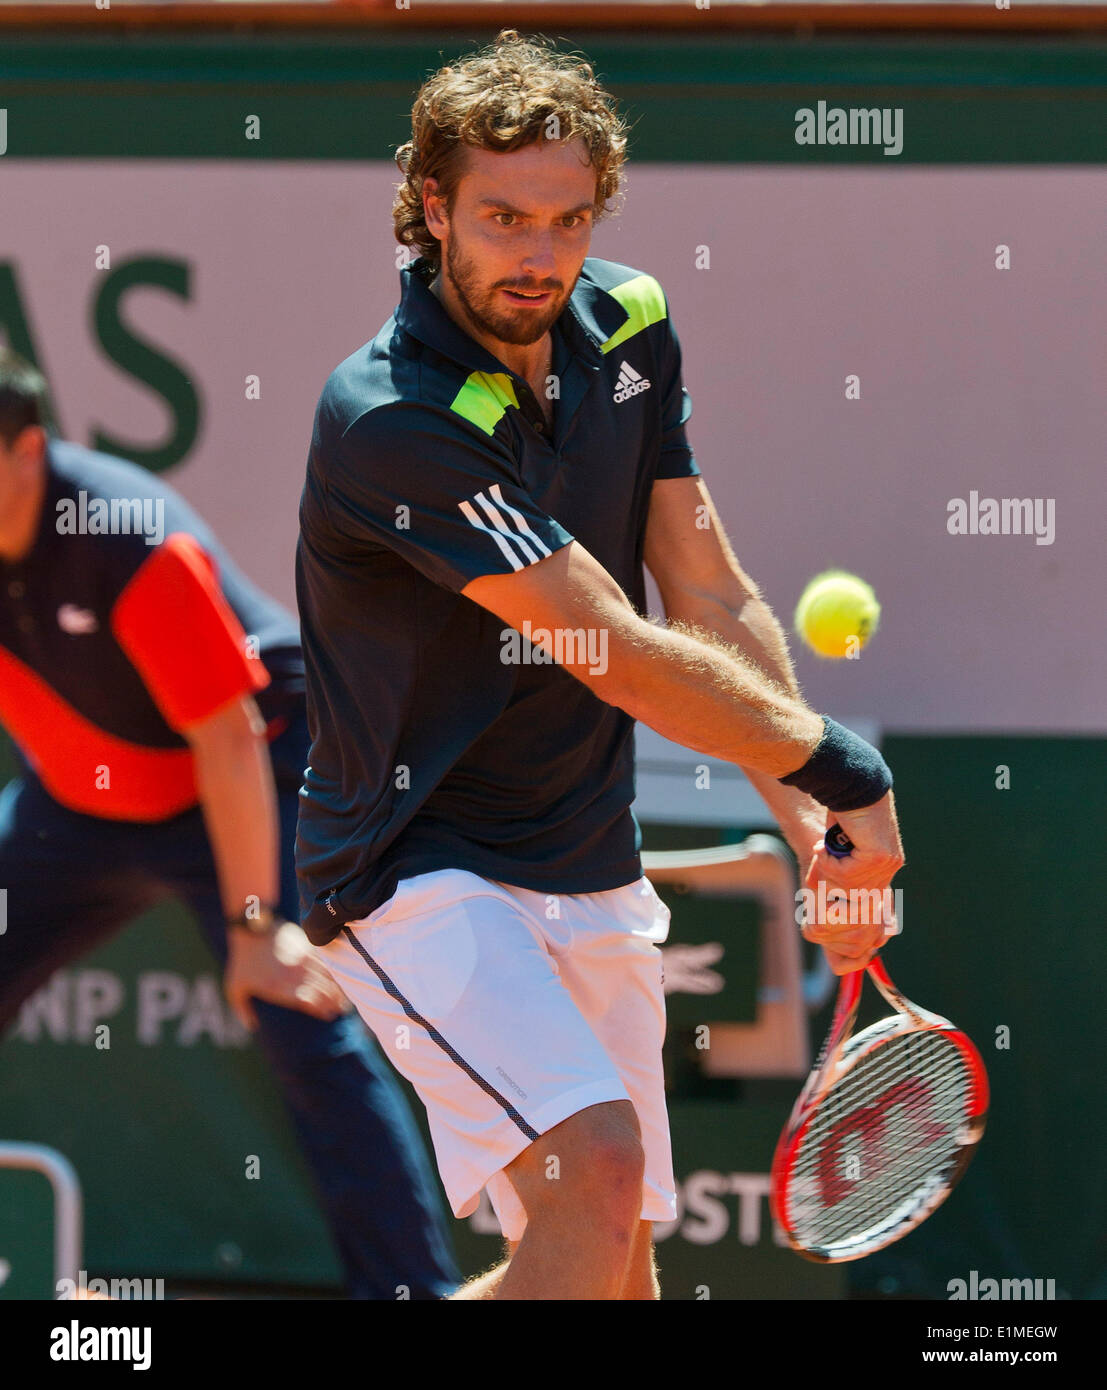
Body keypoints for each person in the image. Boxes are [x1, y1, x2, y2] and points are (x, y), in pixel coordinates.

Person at [295, 29, 905, 1301]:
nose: (539, 255)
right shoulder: (394, 417)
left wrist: (812, 830)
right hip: (417, 866)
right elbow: (612, 648)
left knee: (611, 1272)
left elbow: (705, 588)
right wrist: (841, 769)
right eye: (504, 218)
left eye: (568, 220)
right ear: (431, 209)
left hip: (583, 850)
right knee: (598, 1166)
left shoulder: (625, 325)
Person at [0, 349, 459, 1299]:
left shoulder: (128, 540)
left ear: (27, 450)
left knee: (300, 1019)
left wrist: (258, 928)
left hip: (249, 774)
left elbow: (228, 738)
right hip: (81, 801)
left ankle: (408, 1292)